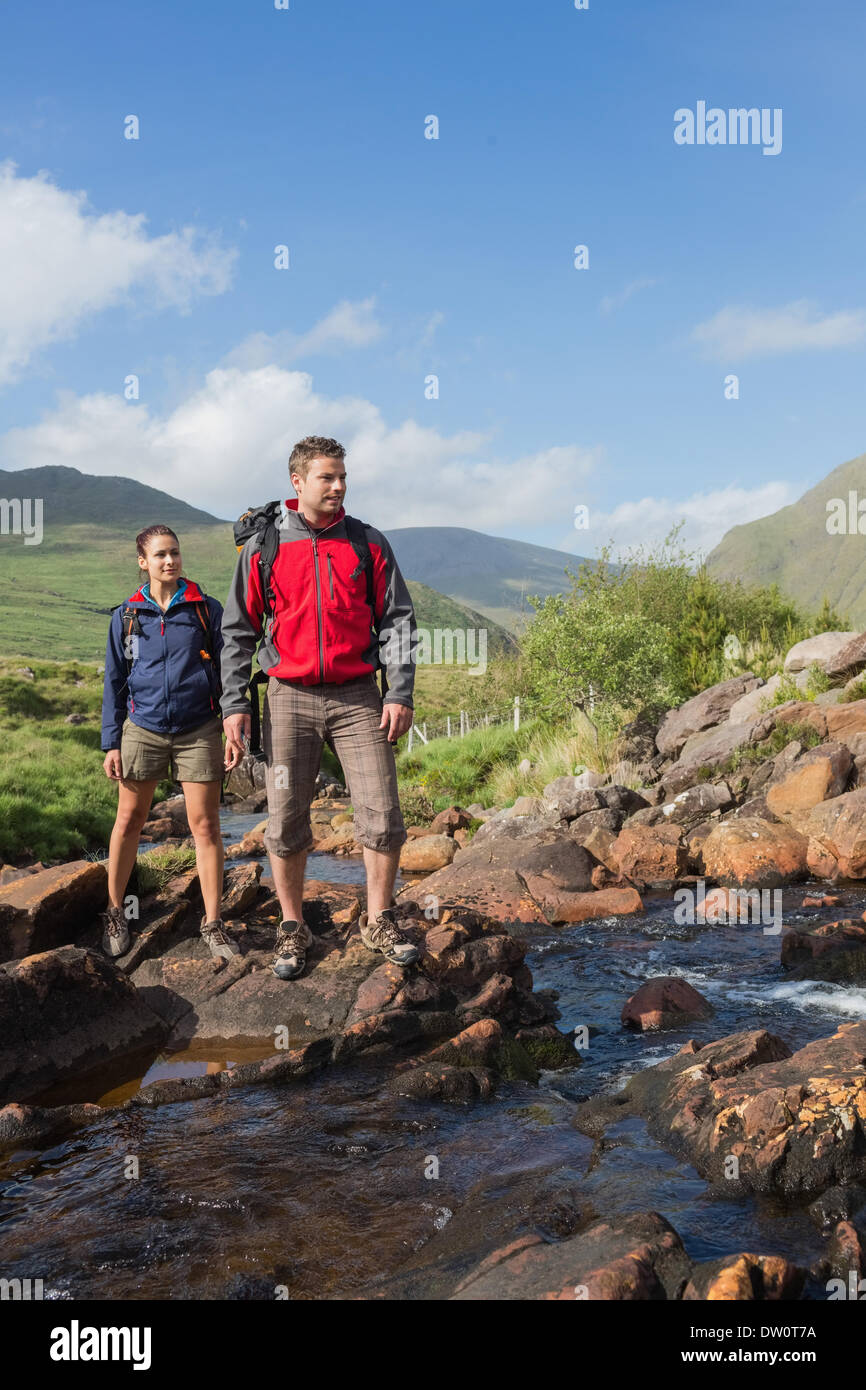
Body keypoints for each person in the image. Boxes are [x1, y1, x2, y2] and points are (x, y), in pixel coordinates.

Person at [220, 435, 419, 980]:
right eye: (327, 477)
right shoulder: (263, 548)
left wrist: (399, 691)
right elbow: (238, 632)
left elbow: (398, 621)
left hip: (359, 697)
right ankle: (291, 926)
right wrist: (234, 705)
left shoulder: (367, 543)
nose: (338, 487)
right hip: (288, 699)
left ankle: (379, 918)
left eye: (342, 477)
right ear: (297, 483)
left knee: (381, 812)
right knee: (285, 818)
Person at [100, 525, 240, 961]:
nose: (170, 561)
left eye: (175, 553)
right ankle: (115, 912)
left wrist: (234, 721)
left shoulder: (206, 610)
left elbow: (231, 668)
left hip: (199, 729)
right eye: (160, 555)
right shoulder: (127, 615)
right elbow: (115, 681)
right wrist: (112, 741)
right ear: (143, 561)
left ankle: (213, 923)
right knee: (129, 820)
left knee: (206, 826)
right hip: (141, 729)